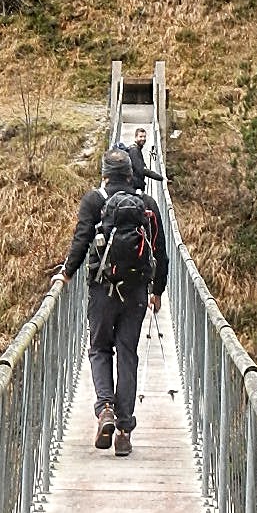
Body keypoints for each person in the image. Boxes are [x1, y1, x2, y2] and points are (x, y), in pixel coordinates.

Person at [60, 148, 167, 456]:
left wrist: (66, 273)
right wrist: (157, 291)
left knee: (99, 349)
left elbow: (81, 240)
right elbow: (160, 251)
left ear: (104, 174)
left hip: (102, 290)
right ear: (131, 175)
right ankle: (123, 431)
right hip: (136, 293)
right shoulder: (147, 204)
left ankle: (105, 407)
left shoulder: (94, 200)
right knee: (127, 354)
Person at [123, 126, 164, 195]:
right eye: (140, 137)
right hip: (134, 187)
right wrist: (160, 178)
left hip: (133, 185)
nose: (143, 139)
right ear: (135, 137)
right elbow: (141, 170)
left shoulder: (135, 149)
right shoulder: (134, 151)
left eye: (144, 137)